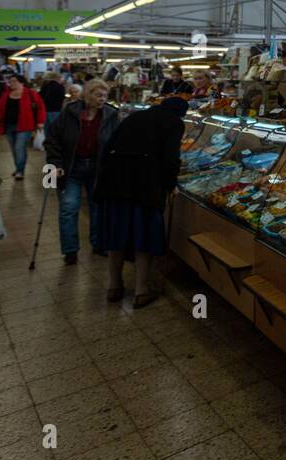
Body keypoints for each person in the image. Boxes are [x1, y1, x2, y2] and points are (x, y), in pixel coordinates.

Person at [94, 96, 186, 306]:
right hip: (144, 186)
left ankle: (114, 286)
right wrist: (171, 184)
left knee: (116, 235)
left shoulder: (135, 117)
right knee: (143, 237)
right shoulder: (174, 123)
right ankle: (142, 290)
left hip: (115, 183)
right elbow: (171, 159)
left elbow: (108, 148)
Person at [45, 78, 119, 265]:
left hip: (97, 169)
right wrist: (55, 163)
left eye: (105, 96)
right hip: (71, 168)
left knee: (98, 208)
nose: (102, 99)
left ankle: (99, 244)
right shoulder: (69, 113)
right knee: (69, 208)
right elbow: (52, 139)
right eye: (98, 95)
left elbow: (117, 143)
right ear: (88, 95)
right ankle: (70, 250)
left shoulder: (111, 115)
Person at [0, 74, 46, 180]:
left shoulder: (31, 93)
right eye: (10, 81)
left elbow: (40, 107)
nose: (11, 83)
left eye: (14, 81)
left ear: (22, 82)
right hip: (9, 126)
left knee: (19, 147)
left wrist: (40, 122)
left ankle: (20, 171)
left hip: (25, 126)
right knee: (14, 149)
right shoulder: (6, 95)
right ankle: (19, 168)